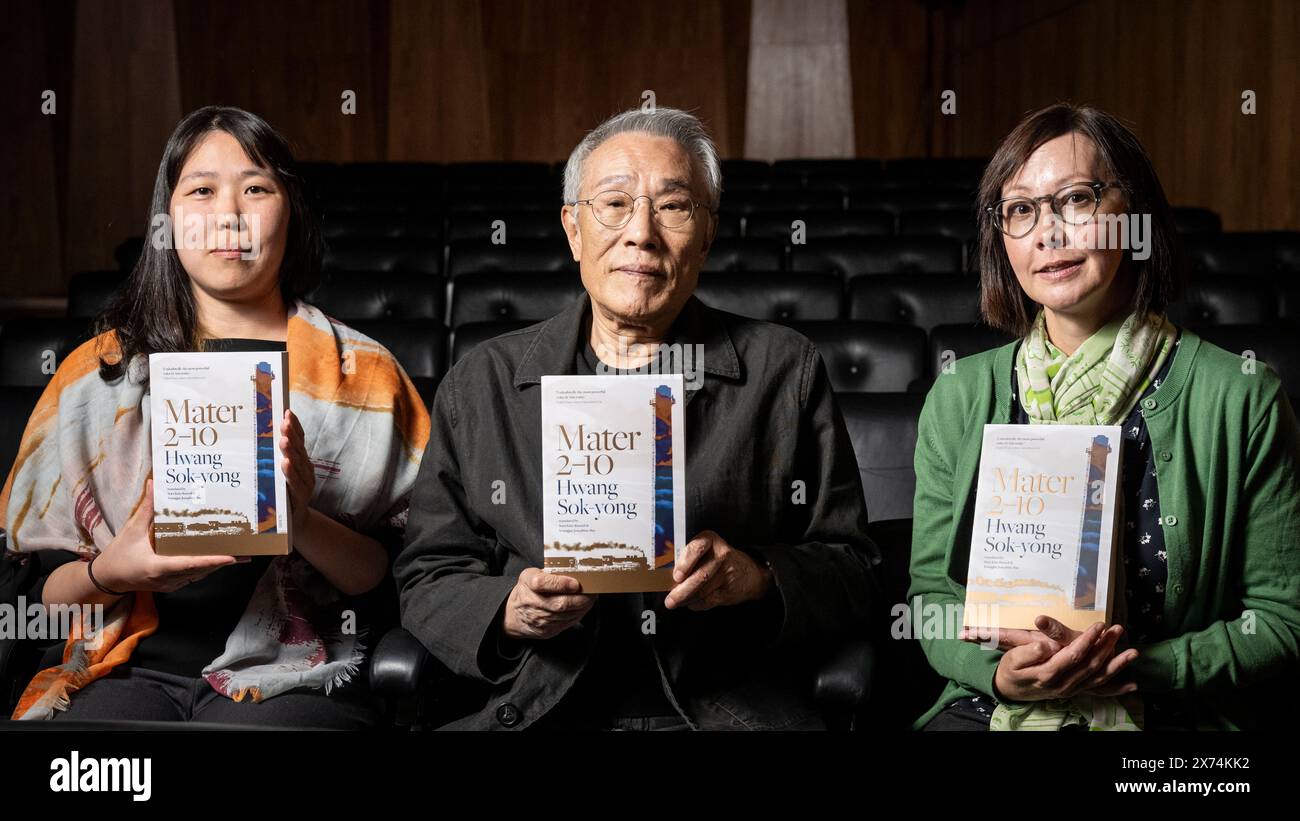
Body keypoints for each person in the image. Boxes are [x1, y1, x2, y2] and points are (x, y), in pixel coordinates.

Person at [395, 107, 879, 730]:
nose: (641, 234)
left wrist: (753, 577)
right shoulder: (482, 382)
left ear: (706, 235)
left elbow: (854, 570)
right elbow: (429, 572)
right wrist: (509, 610)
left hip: (724, 704)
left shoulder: (784, 371)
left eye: (673, 207)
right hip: (539, 702)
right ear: (573, 229)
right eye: (614, 204)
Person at [0, 106, 430, 726]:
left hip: (300, 673)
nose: (229, 215)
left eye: (257, 188)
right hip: (121, 662)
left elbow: (396, 579)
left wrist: (302, 519)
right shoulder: (95, 373)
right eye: (201, 190)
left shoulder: (365, 374)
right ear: (167, 220)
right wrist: (110, 570)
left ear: (292, 210)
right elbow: (33, 594)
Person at [909, 102, 1300, 731]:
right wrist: (993, 672)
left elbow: (1283, 619)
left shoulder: (1241, 397)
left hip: (1167, 713)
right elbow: (930, 599)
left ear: (1134, 215)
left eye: (1077, 199)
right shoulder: (959, 394)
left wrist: (1135, 668)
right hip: (992, 708)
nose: (1049, 234)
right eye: (1021, 209)